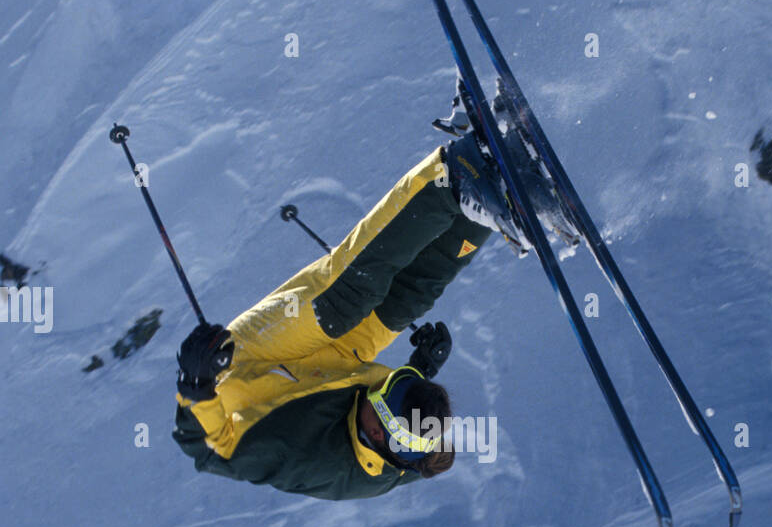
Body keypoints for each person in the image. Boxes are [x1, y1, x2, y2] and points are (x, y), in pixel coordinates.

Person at [172, 130, 526, 500]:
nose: (383, 385)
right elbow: (428, 450)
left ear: (376, 433)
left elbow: (209, 452)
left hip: (249, 362)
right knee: (405, 302)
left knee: (344, 298)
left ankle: (453, 175)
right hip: (339, 365)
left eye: (387, 392)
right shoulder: (415, 445)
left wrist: (195, 382)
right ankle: (493, 207)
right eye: (395, 383)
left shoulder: (300, 457)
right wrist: (422, 369)